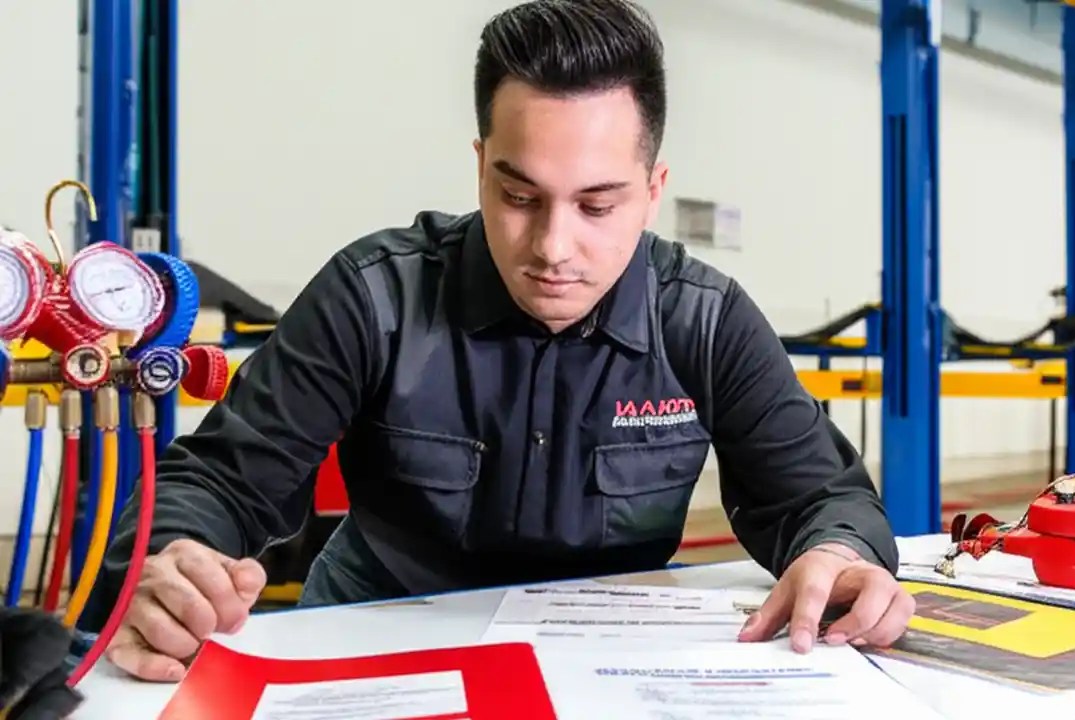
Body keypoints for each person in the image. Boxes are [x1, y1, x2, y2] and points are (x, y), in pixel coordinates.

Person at [83, 0, 914, 683]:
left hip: (610, 662)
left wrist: (837, 555)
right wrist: (166, 559)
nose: (553, 248)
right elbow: (224, 477)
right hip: (374, 642)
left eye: (597, 205)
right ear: (481, 164)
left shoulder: (703, 318)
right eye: (519, 195)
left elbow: (821, 495)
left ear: (654, 190)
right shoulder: (376, 296)